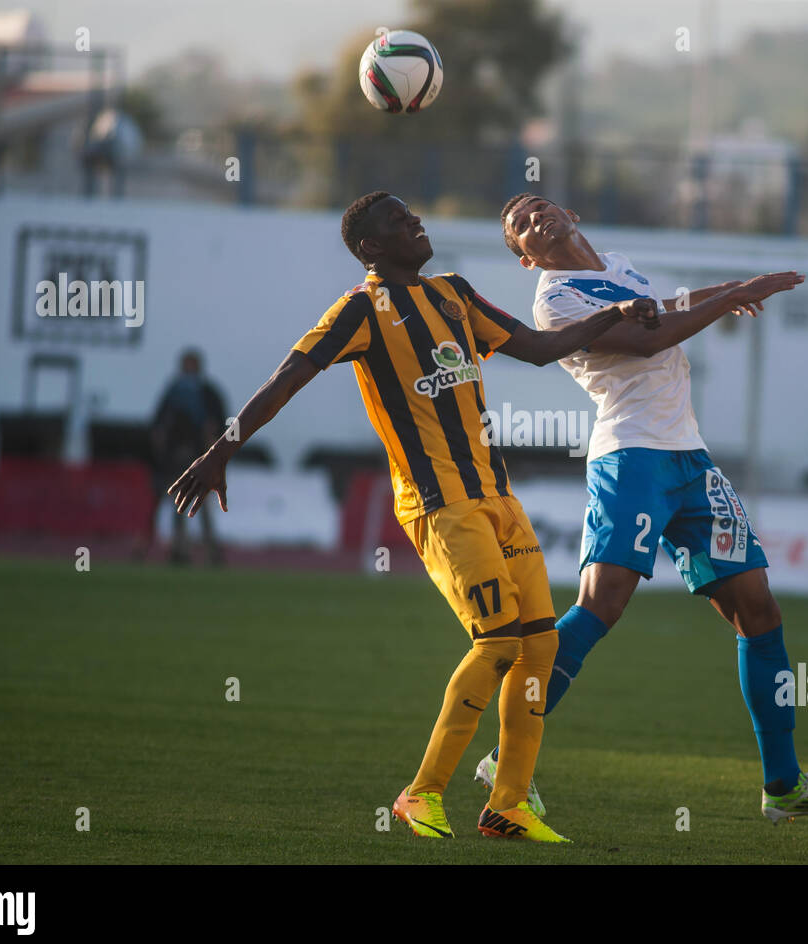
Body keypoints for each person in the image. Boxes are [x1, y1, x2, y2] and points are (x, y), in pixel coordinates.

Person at [167, 191, 661, 842]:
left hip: (498, 496)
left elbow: (541, 348)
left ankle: (509, 803)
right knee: (498, 641)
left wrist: (612, 314)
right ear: (372, 247)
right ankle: (421, 792)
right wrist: (220, 449)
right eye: (401, 221)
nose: (416, 222)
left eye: (412, 215)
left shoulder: (454, 293)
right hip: (439, 503)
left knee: (539, 642)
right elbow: (291, 373)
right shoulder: (360, 310)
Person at [476, 193, 808, 824]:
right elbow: (643, 340)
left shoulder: (620, 265)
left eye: (540, 208)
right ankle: (505, 756)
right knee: (600, 606)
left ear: (571, 212)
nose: (534, 220)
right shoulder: (553, 299)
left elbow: (669, 307)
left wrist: (736, 288)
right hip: (631, 456)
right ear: (525, 258)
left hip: (690, 458)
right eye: (520, 226)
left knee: (759, 611)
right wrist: (729, 298)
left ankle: (784, 785)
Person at [151, 349, 228, 565]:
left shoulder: (193, 393)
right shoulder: (181, 392)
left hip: (197, 457)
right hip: (180, 458)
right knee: (182, 505)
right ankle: (183, 551)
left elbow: (217, 427)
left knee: (199, 507)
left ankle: (208, 553)